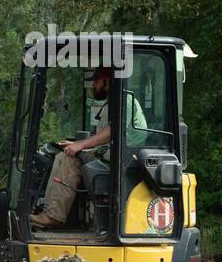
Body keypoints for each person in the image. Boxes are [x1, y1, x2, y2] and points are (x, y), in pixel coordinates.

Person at [30, 66, 146, 229]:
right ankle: (48, 211)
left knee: (69, 160)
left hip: (124, 160)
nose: (93, 86)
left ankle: (53, 215)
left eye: (96, 82)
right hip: (111, 154)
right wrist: (75, 145)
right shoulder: (112, 102)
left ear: (106, 81)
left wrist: (81, 145)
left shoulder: (123, 100)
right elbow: (105, 139)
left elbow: (113, 132)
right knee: (63, 154)